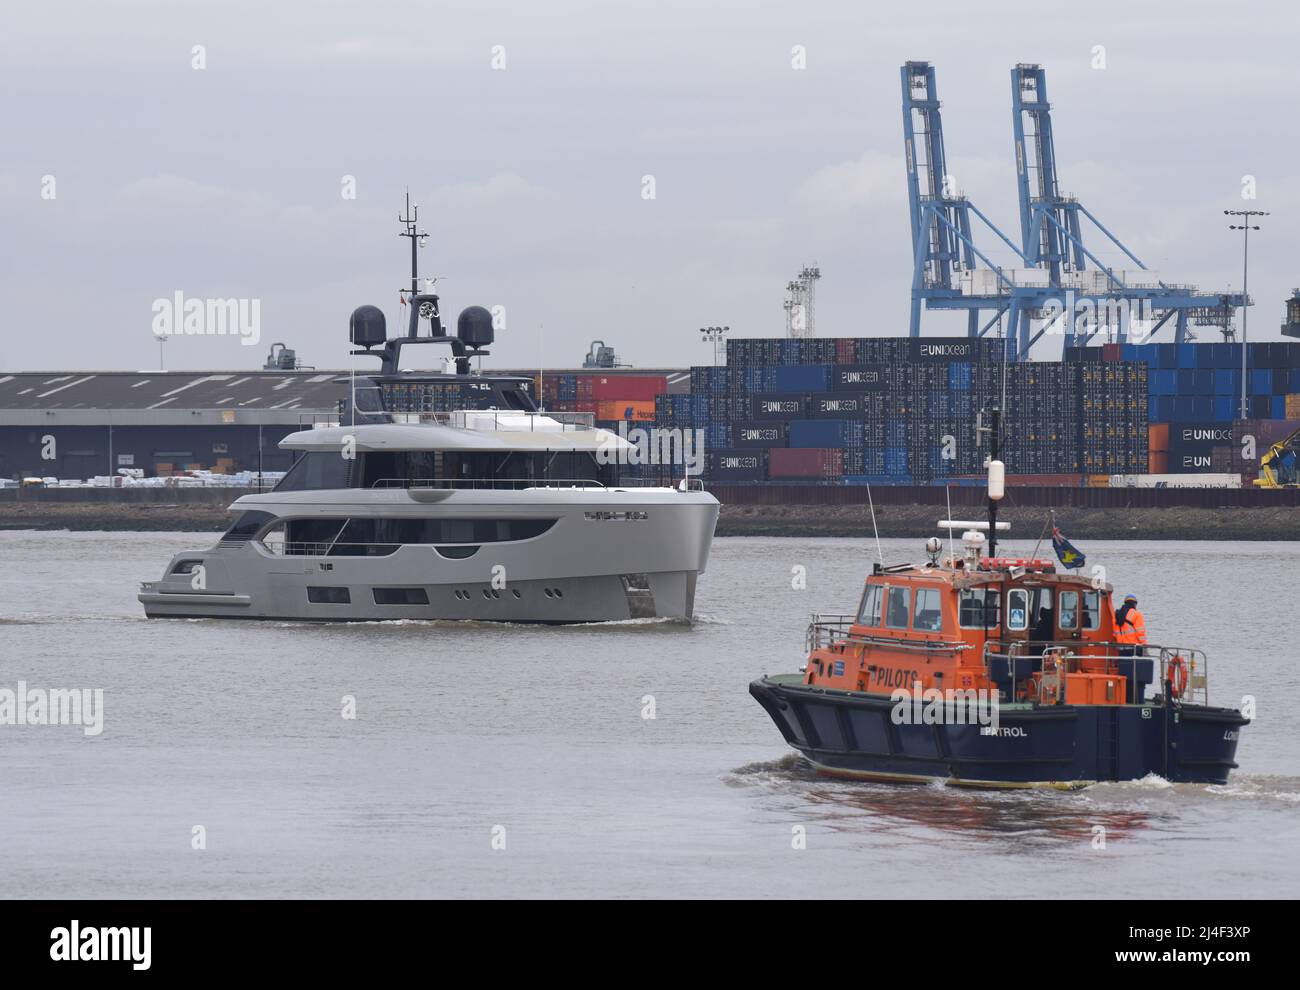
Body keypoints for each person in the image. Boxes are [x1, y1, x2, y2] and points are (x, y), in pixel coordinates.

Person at [1115, 593, 1147, 657]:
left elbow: (1115, 633)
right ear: (1134, 604)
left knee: (1124, 666)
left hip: (1122, 649)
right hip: (1134, 648)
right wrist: (1145, 646)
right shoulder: (1137, 614)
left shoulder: (1117, 615)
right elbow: (1140, 633)